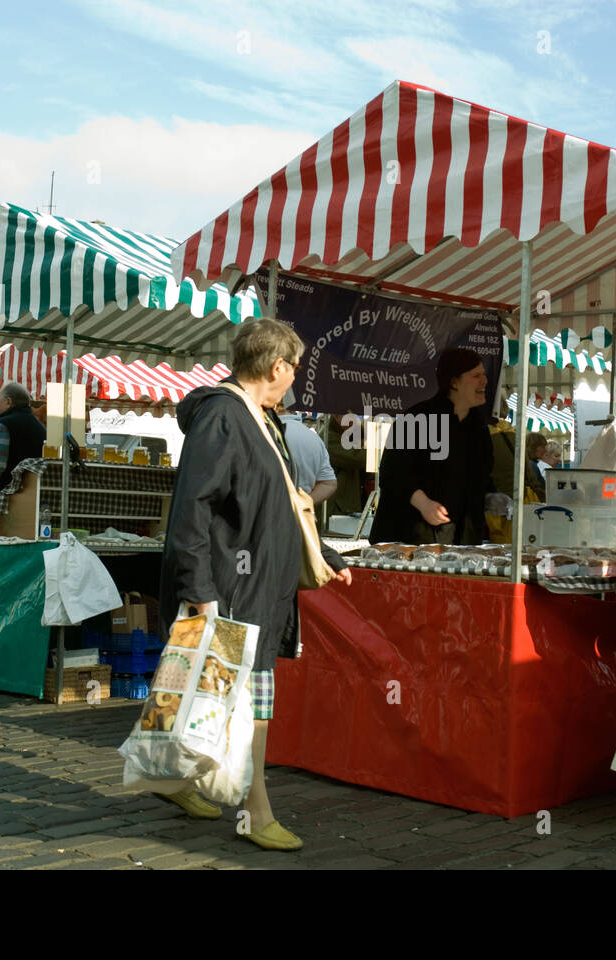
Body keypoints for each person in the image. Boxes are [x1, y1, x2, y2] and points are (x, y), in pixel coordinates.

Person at [158, 318, 352, 852]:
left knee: (211, 694)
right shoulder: (226, 417)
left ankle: (175, 780)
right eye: (294, 368)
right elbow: (192, 509)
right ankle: (255, 809)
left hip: (255, 583)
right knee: (248, 702)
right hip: (232, 587)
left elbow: (284, 503)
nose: (294, 378)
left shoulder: (261, 419)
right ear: (277, 366)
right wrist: (198, 588)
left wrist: (324, 553)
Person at [370, 348, 494, 545]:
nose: (484, 381)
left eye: (484, 375)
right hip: (408, 537)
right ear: (453, 382)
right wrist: (423, 503)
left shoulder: (479, 428)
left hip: (462, 539)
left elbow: (483, 475)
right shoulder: (417, 418)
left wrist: (492, 497)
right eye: (475, 376)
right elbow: (392, 473)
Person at [0, 382, 46, 504]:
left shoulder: (3, 426)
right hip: (32, 500)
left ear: (8, 401)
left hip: (5, 503)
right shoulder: (40, 428)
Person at [275, 401, 337, 506]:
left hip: (264, 513)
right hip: (300, 517)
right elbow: (328, 484)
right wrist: (302, 504)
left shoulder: (260, 432)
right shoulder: (314, 438)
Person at [524, 433, 547, 501]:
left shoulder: (528, 463)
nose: (545, 450)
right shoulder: (531, 465)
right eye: (542, 447)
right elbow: (538, 489)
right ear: (533, 447)